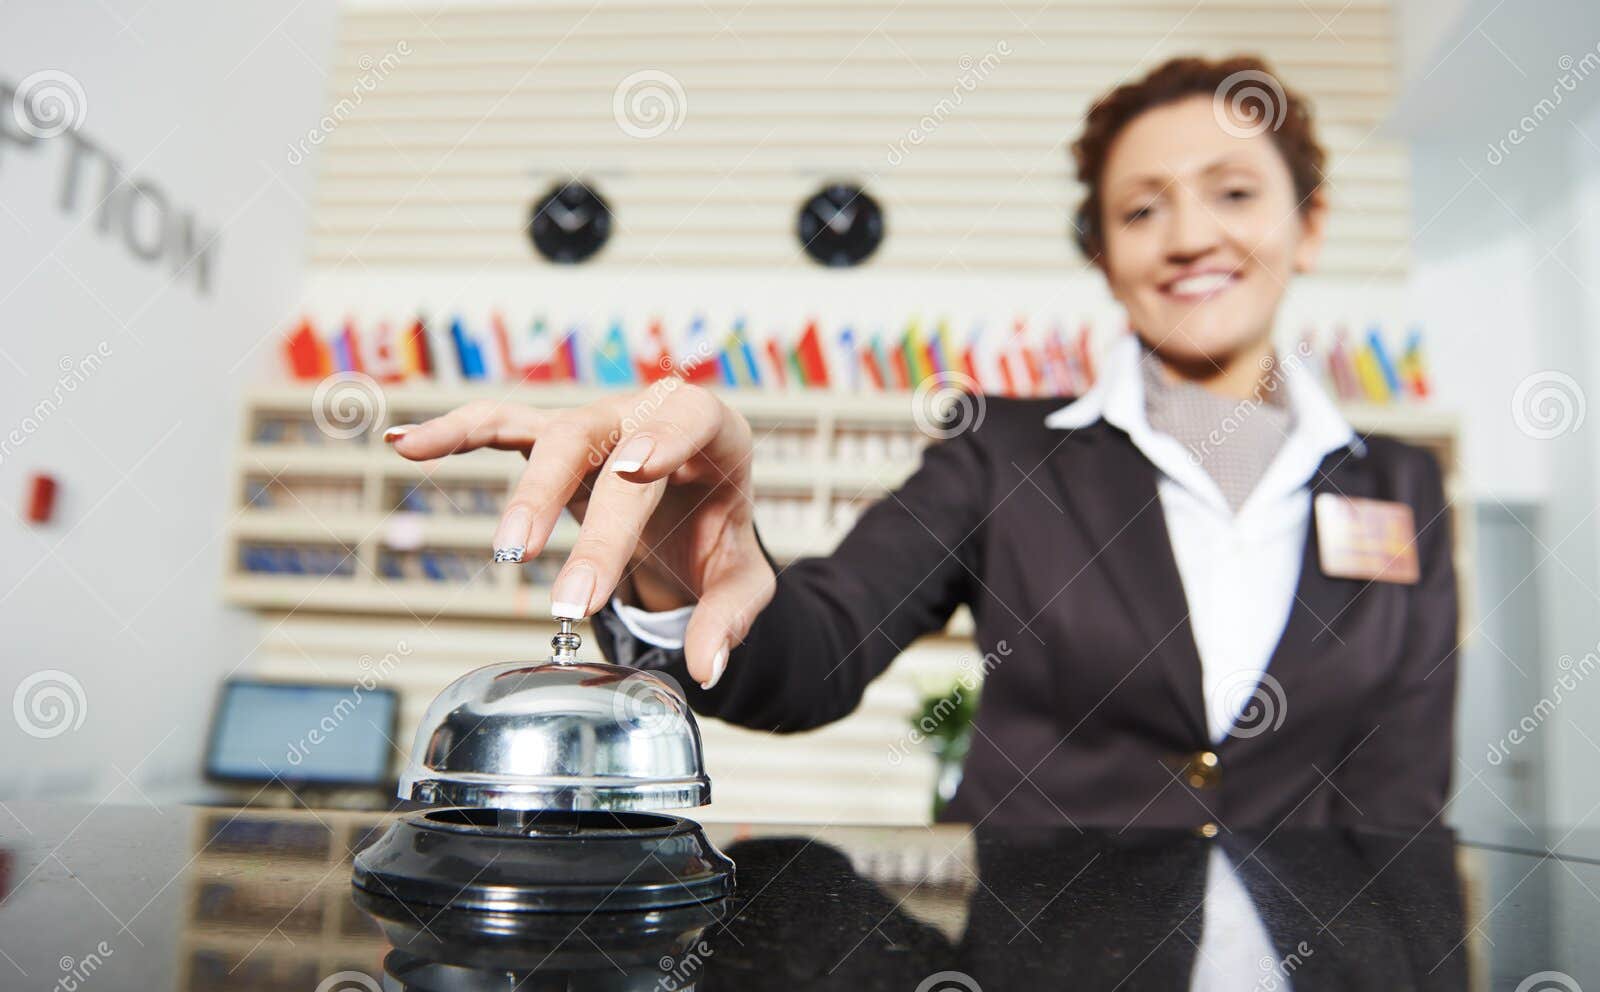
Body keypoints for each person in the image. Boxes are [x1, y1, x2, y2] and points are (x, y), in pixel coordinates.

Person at [384, 55, 1457, 832]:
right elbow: (816, 655)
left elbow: (1405, 788)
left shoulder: (1403, 486)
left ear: (1307, 227)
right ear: (1103, 253)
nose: (1186, 237)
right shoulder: (1001, 456)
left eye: (1232, 193)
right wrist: (684, 559)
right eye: (1140, 210)